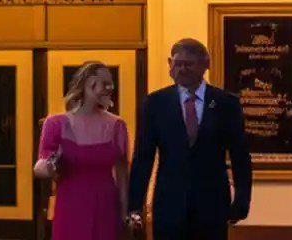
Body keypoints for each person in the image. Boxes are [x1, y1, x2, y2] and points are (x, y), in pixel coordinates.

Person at [127, 38, 252, 240]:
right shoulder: (155, 103)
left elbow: (240, 156)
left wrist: (242, 199)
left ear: (205, 65)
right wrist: (134, 205)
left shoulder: (225, 103)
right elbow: (143, 156)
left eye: (189, 64)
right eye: (177, 64)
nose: (182, 69)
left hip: (212, 206)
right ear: (170, 64)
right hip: (169, 206)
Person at [34, 61, 130, 239]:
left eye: (111, 84)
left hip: (106, 206)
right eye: (104, 83)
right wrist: (49, 167)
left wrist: (125, 215)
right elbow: (41, 164)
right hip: (71, 204)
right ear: (88, 85)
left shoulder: (118, 126)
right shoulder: (55, 123)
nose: (110, 88)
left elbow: (123, 174)